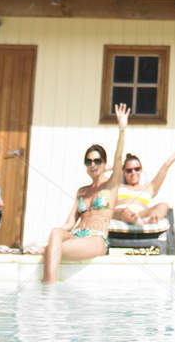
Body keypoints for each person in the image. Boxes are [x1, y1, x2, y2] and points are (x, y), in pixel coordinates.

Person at [42, 104, 129, 283]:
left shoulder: (111, 185)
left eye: (97, 160)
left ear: (104, 163)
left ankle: (48, 287)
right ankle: (49, 284)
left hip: (96, 239)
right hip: (76, 235)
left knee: (52, 249)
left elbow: (119, 158)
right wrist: (54, 239)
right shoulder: (82, 191)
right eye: (89, 162)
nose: (93, 165)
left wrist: (122, 130)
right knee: (56, 232)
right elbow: (69, 223)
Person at [114, 134, 175, 227]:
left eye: (137, 169)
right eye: (129, 170)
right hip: (121, 213)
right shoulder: (116, 186)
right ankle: (138, 221)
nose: (133, 173)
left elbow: (166, 165)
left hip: (141, 214)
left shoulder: (149, 188)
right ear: (123, 171)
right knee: (124, 211)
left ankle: (150, 219)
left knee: (163, 205)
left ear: (141, 170)